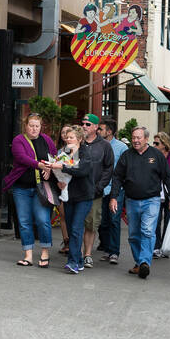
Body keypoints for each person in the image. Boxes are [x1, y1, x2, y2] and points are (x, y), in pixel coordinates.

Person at [109, 126, 170, 279]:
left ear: (146, 139)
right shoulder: (126, 155)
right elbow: (117, 177)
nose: (135, 140)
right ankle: (139, 263)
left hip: (151, 201)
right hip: (131, 201)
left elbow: (167, 177)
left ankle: (144, 262)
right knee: (133, 235)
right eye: (133, 137)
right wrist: (113, 197)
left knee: (147, 231)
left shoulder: (156, 155)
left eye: (139, 137)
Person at [3, 113, 57, 267]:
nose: (34, 129)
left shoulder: (46, 140)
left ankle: (45, 252)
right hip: (21, 187)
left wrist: (50, 168)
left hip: (42, 187)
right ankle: (28, 255)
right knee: (24, 221)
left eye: (37, 126)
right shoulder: (18, 140)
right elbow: (21, 158)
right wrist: (40, 165)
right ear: (25, 126)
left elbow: (54, 156)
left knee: (43, 220)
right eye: (31, 125)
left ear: (41, 127)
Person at [46, 124, 99, 274]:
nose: (68, 139)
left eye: (71, 137)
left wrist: (61, 167)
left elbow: (82, 170)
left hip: (84, 196)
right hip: (68, 196)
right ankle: (79, 260)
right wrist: (58, 180)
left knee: (76, 228)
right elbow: (58, 174)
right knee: (70, 229)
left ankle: (73, 262)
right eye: (67, 137)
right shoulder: (63, 152)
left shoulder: (85, 152)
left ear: (80, 139)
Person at [79, 114, 112, 269]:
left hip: (95, 192)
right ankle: (76, 253)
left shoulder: (105, 145)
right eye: (83, 123)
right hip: (77, 191)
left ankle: (88, 255)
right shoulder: (77, 141)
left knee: (91, 224)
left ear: (95, 127)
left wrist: (99, 187)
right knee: (77, 223)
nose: (84, 126)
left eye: (87, 124)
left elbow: (109, 168)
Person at [96, 118, 127, 264]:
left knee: (114, 220)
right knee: (103, 221)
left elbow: (125, 170)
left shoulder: (121, 147)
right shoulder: (97, 145)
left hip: (116, 190)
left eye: (101, 129)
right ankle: (107, 248)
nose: (98, 131)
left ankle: (114, 252)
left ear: (109, 131)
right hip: (100, 188)